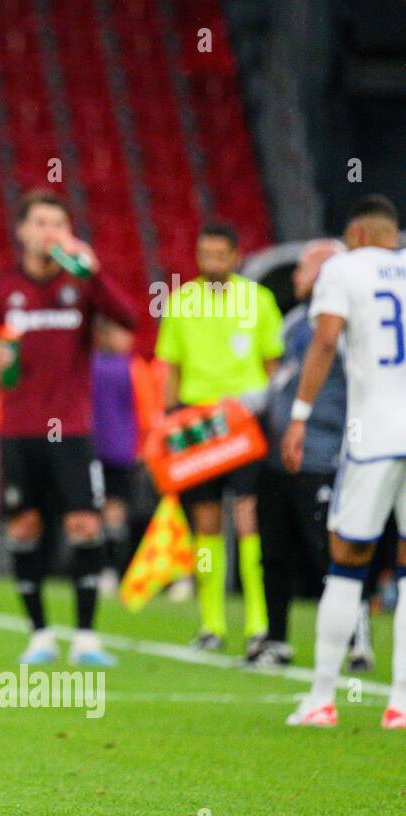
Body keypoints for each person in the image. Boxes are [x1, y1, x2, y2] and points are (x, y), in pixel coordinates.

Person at [0, 189, 140, 667]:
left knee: (85, 523)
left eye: (57, 224)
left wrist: (97, 272)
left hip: (72, 428)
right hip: (18, 429)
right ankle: (40, 634)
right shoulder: (4, 287)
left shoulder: (81, 282)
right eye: (41, 222)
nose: (49, 232)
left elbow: (129, 319)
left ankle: (86, 637)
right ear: (23, 230)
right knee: (24, 525)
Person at [283, 196, 406, 729]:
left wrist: (299, 414)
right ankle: (400, 704)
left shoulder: (343, 268)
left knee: (346, 561)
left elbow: (326, 338)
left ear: (354, 232)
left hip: (373, 433)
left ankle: (322, 699)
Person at [155, 222, 283, 652]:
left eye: (219, 255)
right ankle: (212, 623)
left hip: (244, 422)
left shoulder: (259, 300)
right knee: (206, 525)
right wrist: (166, 422)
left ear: (235, 256)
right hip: (195, 423)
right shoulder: (181, 301)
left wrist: (277, 423)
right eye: (204, 254)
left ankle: (258, 623)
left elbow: (272, 366)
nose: (211, 262)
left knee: (249, 520)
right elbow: (170, 369)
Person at [252, 239, 346, 667]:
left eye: (305, 269)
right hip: (279, 455)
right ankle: (276, 639)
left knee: (326, 551)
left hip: (324, 453)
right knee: (273, 551)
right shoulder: (293, 323)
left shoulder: (346, 325)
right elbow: (277, 384)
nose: (296, 277)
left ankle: (352, 635)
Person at [90, 318, 140, 596]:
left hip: (117, 451)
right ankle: (108, 570)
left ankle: (112, 570)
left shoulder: (129, 367)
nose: (127, 340)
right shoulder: (99, 366)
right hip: (106, 450)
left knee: (111, 513)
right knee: (106, 512)